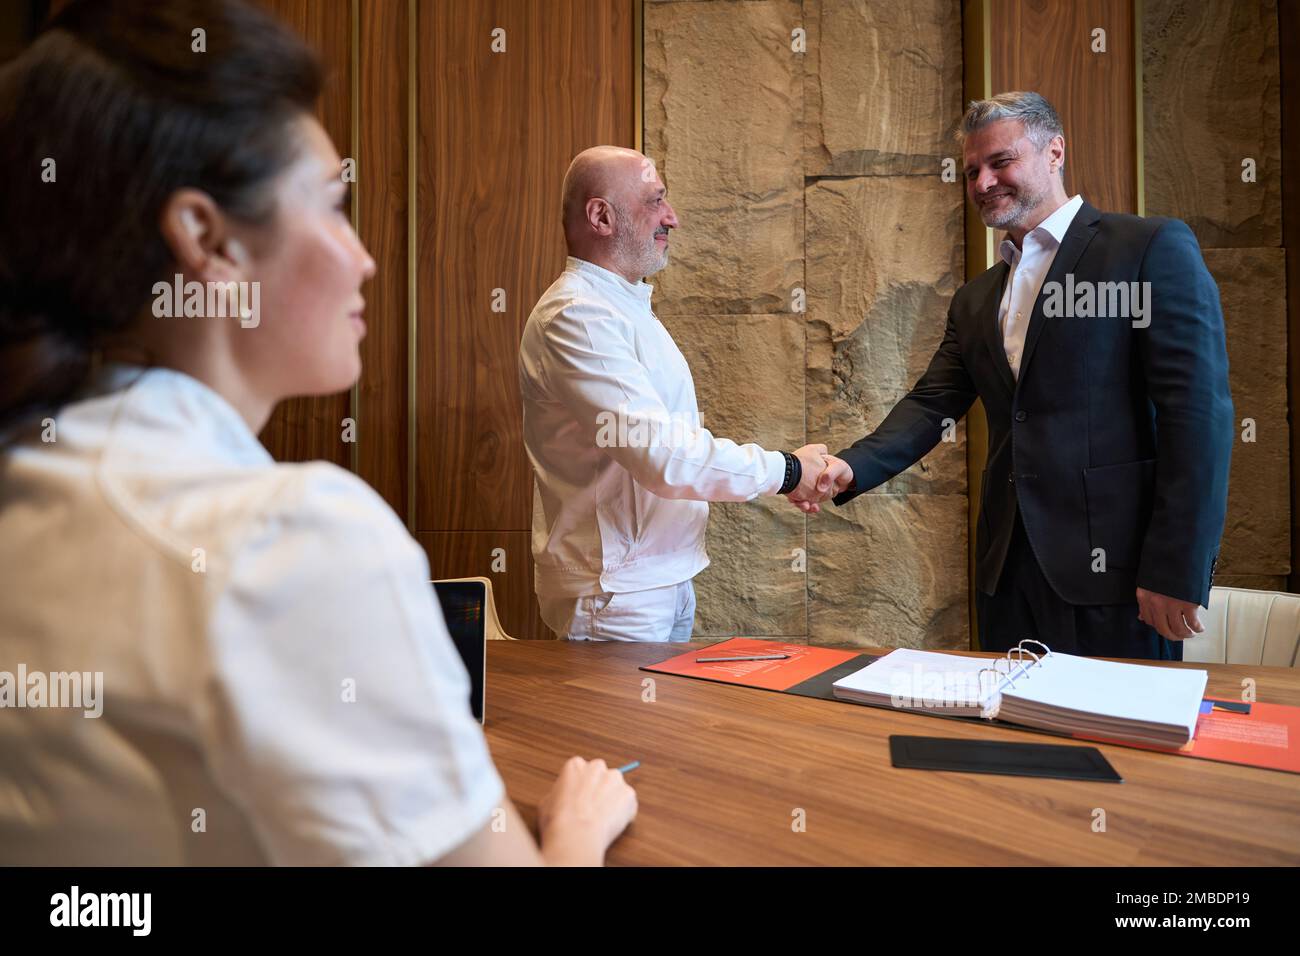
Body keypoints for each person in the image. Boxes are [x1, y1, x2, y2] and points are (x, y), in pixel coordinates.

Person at [0, 0, 634, 866]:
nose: (363, 256)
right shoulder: (291, 542)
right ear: (205, 239)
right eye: (334, 206)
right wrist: (576, 830)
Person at [794, 92, 1233, 661]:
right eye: (973, 170)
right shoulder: (977, 298)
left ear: (1055, 152)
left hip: (1118, 575)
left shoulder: (1147, 248)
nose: (982, 183)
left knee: (1114, 746)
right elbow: (932, 404)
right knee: (1007, 741)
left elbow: (1197, 415)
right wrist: (846, 467)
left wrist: (1178, 565)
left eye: (1001, 162)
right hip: (1006, 575)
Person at [519, 145, 829, 642]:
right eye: (655, 201)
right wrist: (788, 471)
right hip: (618, 596)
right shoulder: (579, 316)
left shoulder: (625, 307)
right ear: (601, 216)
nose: (672, 218)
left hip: (660, 581)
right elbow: (661, 455)